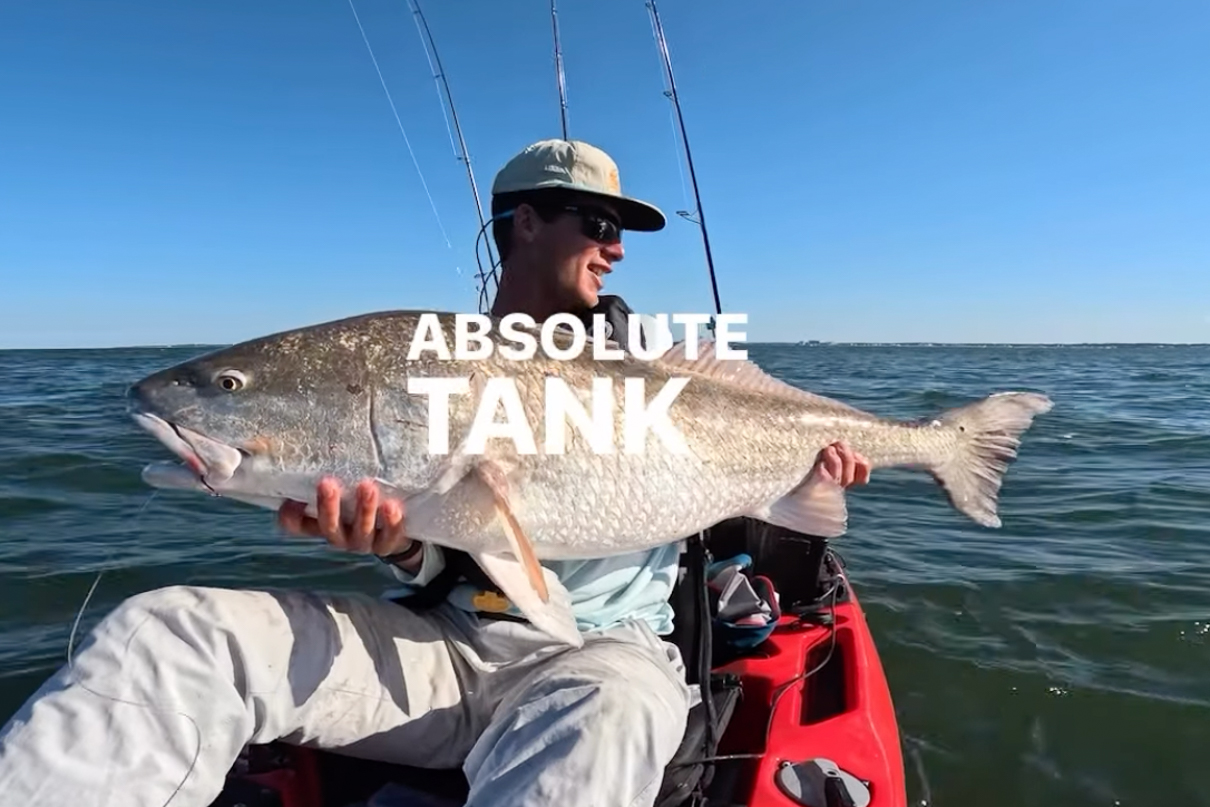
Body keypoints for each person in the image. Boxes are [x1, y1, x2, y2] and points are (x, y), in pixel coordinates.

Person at [0, 139, 871, 807]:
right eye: (598, 225)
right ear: (525, 221)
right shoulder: (424, 363)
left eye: (620, 233)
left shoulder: (652, 371)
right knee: (169, 630)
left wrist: (813, 470)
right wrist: (400, 548)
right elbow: (450, 528)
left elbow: (747, 486)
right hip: (449, 649)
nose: (616, 250)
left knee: (605, 717)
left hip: (608, 658)